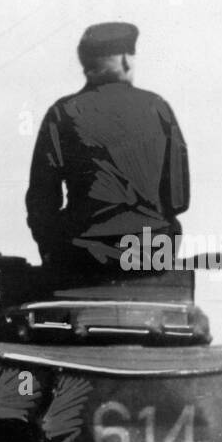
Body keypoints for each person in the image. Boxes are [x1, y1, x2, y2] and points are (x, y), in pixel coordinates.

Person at [24, 22, 189, 283]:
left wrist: (51, 249)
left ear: (86, 65)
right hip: (150, 254)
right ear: (125, 60)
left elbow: (41, 202)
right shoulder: (158, 108)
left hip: (81, 254)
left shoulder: (62, 113)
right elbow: (179, 200)